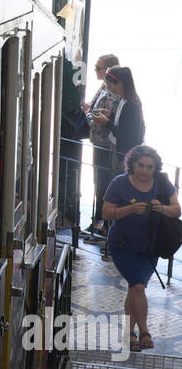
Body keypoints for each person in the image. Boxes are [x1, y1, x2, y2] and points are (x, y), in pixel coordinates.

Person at [102, 144, 180, 351]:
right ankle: (144, 331)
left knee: (134, 288)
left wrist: (161, 208)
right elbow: (106, 213)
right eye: (141, 165)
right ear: (132, 165)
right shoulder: (119, 183)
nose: (144, 170)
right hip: (123, 246)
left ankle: (129, 333)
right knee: (138, 286)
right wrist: (129, 209)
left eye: (149, 167)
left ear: (155, 168)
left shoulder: (162, 184)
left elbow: (176, 210)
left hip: (149, 248)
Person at [76, 53, 119, 237]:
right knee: (98, 183)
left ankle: (101, 224)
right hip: (99, 143)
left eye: (98, 67)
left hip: (105, 145)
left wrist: (87, 111)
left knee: (103, 184)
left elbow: (97, 120)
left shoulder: (110, 93)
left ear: (108, 70)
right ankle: (97, 221)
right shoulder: (103, 88)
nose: (95, 70)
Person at [92, 66, 145, 161]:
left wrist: (107, 122)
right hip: (118, 147)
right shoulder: (124, 99)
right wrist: (111, 115)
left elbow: (124, 134)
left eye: (110, 86)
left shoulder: (131, 105)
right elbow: (123, 122)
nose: (108, 89)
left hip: (124, 152)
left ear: (120, 84)